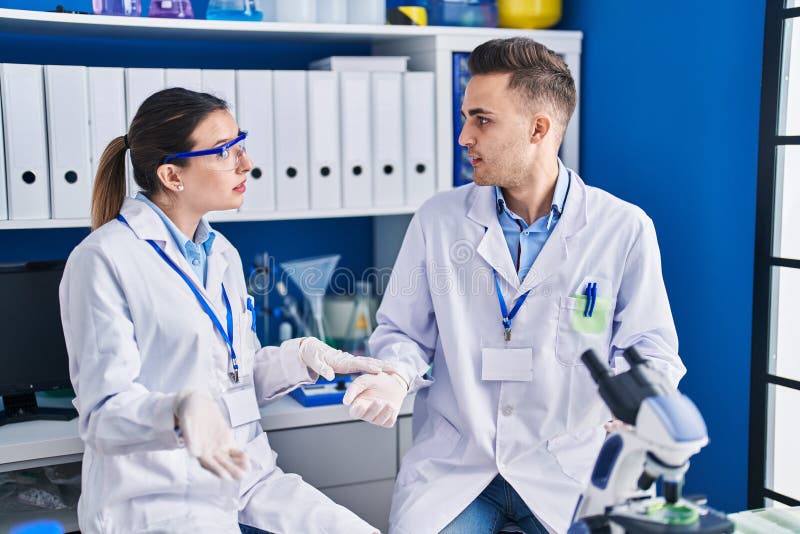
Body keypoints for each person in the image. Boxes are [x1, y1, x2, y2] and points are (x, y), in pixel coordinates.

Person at [343, 37, 687, 533]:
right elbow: (404, 332)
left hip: (569, 469)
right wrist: (394, 375)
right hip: (457, 466)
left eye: (481, 119)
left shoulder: (622, 228)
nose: (464, 136)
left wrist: (641, 411)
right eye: (466, 118)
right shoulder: (439, 220)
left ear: (538, 128)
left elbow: (651, 348)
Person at [59, 87, 386, 534]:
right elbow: (102, 416)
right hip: (158, 502)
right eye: (224, 152)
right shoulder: (103, 260)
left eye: (240, 145)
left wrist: (303, 357)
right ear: (173, 175)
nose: (245, 163)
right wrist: (180, 410)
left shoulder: (221, 254)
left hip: (248, 478)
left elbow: (235, 373)